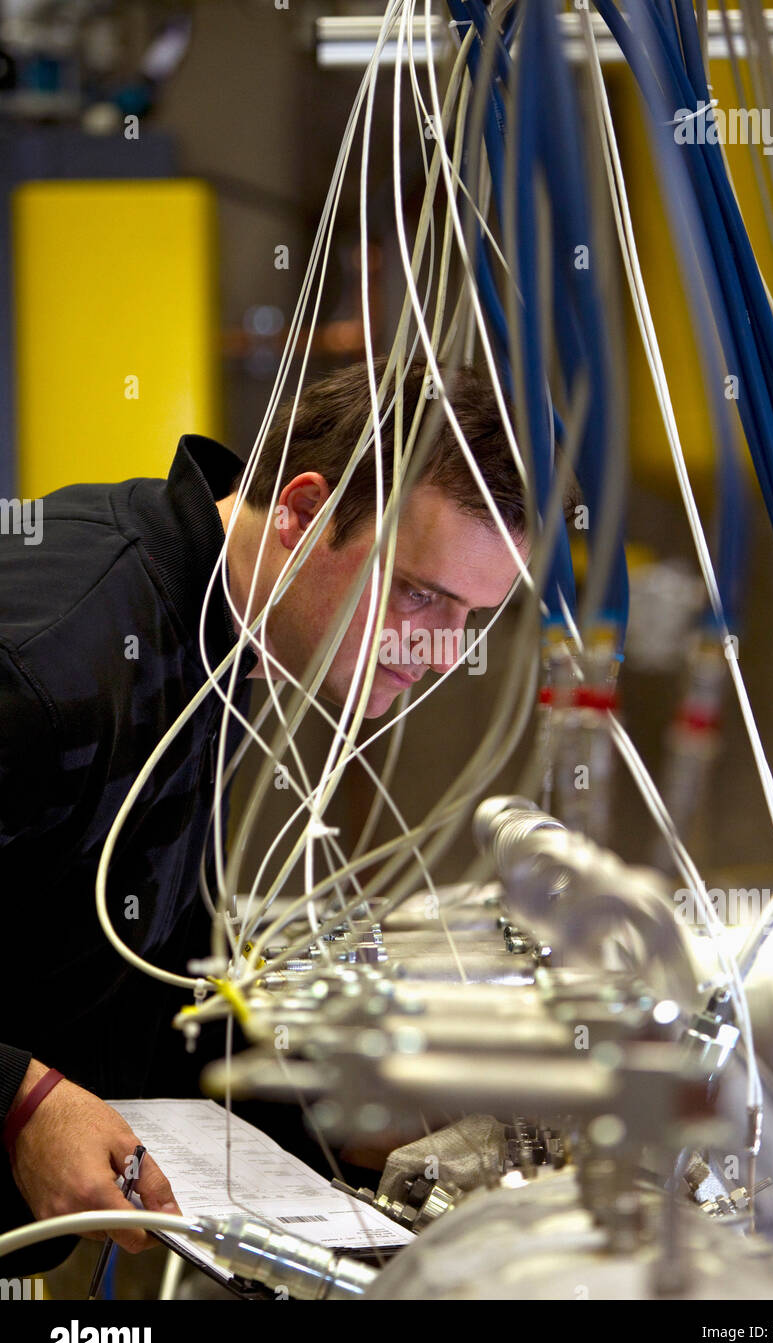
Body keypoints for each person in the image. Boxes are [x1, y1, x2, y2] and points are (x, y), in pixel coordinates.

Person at [0, 355, 529, 1273]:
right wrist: (19, 1101)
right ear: (301, 511)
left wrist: (329, 1111)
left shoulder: (220, 644)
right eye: (418, 591)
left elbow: (135, 969)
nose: (441, 651)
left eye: (472, 617)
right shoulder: (50, 659)